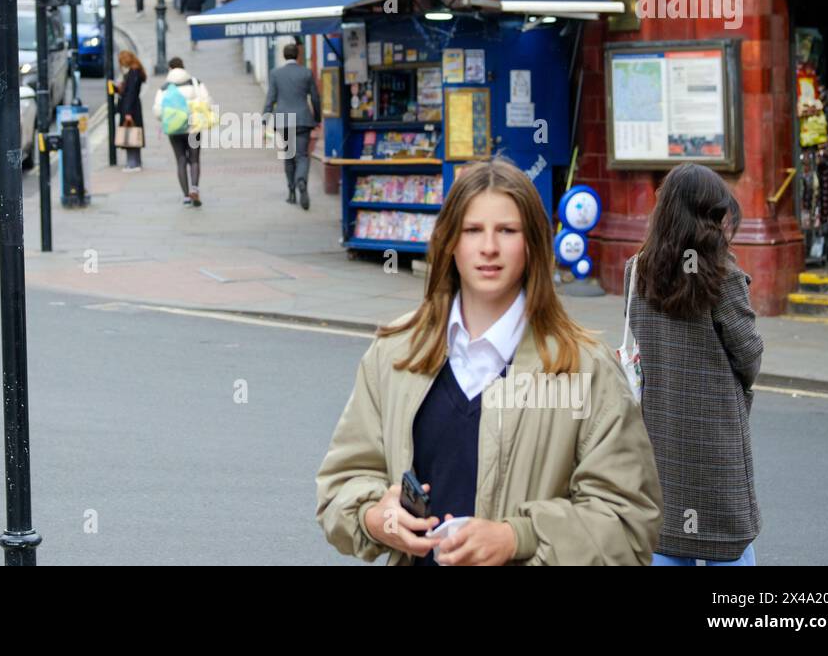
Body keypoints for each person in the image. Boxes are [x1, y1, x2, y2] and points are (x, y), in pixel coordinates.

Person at [316, 158, 662, 565]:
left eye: (507, 231)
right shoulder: (394, 354)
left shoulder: (586, 370)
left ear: (532, 243)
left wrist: (518, 537)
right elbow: (342, 484)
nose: (489, 248)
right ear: (449, 242)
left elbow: (628, 523)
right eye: (473, 230)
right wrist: (377, 518)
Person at [625, 162, 763, 566]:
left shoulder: (637, 271)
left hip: (659, 429)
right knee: (729, 541)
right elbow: (750, 356)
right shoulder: (723, 276)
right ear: (708, 216)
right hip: (714, 435)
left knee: (666, 538)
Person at [264, 40, 322, 210]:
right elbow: (315, 97)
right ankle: (301, 181)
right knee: (302, 155)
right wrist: (317, 118)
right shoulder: (306, 72)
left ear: (283, 56)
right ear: (297, 55)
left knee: (289, 156)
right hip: (303, 120)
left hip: (283, 121)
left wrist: (264, 119)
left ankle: (291, 192)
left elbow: (271, 98)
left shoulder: (275, 73)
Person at [153, 57, 211, 207]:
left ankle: (186, 196)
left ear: (170, 69)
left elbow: (158, 111)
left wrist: (170, 117)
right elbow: (207, 102)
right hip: (193, 127)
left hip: (174, 128)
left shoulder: (164, 88)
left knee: (180, 159)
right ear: (183, 67)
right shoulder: (195, 83)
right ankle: (195, 189)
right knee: (194, 159)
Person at [113, 49, 146, 172]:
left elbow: (130, 93)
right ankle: (136, 162)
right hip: (134, 107)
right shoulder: (136, 72)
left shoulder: (133, 73)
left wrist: (127, 113)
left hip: (130, 108)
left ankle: (132, 163)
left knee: (130, 135)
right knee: (134, 134)